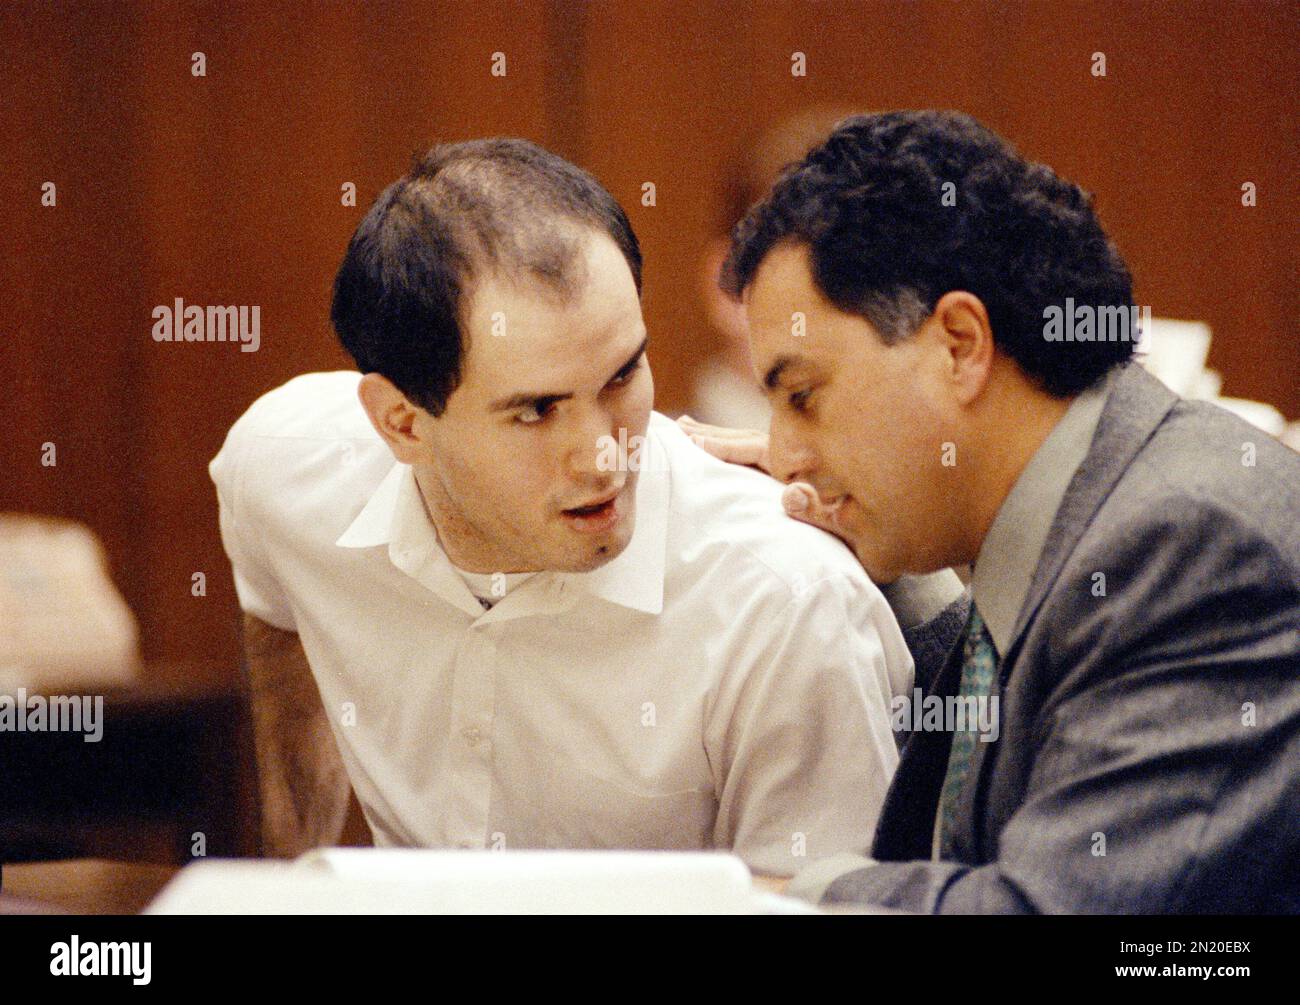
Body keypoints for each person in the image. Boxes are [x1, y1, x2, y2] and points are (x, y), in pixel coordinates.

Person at [208, 138, 914, 879]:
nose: (604, 455)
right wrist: (285, 875)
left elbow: (822, 903)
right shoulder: (287, 463)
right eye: (537, 410)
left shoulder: (788, 599)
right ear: (403, 424)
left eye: (621, 375)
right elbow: (275, 600)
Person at [686, 110, 1300, 911]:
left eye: (804, 396)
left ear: (960, 344)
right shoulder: (1076, 514)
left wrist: (758, 894)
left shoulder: (1191, 543)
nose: (786, 453)